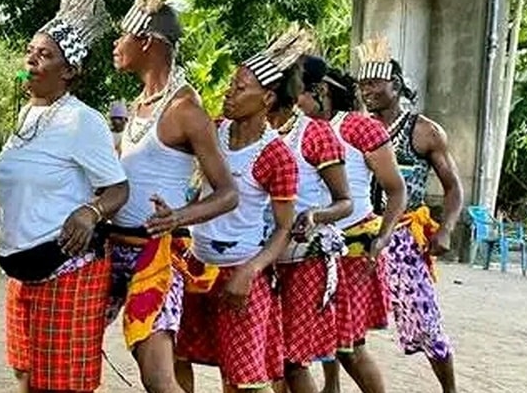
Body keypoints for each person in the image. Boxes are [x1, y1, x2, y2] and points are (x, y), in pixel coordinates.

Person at [0, 0, 129, 393]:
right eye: (30, 51)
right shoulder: (27, 114)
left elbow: (117, 189)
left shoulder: (82, 120)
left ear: (69, 70)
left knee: (59, 385)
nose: (32, 60)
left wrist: (90, 212)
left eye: (46, 54)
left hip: (65, 270)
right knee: (26, 373)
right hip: (23, 271)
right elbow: (30, 180)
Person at [110, 0, 239, 393]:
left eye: (122, 37)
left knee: (158, 377)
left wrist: (178, 217)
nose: (116, 46)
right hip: (116, 249)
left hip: (155, 257)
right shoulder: (138, 105)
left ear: (146, 41)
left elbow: (227, 193)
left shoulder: (185, 108)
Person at [173, 26, 312, 393]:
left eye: (239, 88)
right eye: (231, 85)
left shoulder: (276, 156)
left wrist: (250, 271)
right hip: (195, 268)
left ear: (267, 99)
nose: (228, 93)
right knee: (175, 359)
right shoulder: (212, 131)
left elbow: (284, 228)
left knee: (243, 379)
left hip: (240, 271)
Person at [356, 35, 462, 393]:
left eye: (374, 83)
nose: (367, 90)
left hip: (403, 237)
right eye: (362, 84)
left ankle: (450, 389)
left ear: (396, 85)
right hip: (361, 232)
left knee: (425, 321)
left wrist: (445, 228)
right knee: (342, 322)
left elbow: (453, 187)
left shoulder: (425, 131)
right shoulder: (356, 128)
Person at [297, 57, 406, 393]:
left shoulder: (358, 128)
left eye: (298, 91)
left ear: (321, 91)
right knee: (312, 346)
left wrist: (384, 237)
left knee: (349, 347)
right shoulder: (295, 128)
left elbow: (396, 189)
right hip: (310, 248)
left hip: (354, 246)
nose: (293, 98)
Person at [266, 54, 352, 393]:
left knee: (292, 361)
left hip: (304, 259)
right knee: (273, 358)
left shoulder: (315, 134)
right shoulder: (250, 132)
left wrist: (314, 215)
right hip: (264, 257)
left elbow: (345, 201)